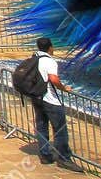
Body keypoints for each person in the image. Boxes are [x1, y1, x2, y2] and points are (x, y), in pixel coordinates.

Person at [33, 36, 81, 171]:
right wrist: (63, 88)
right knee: (60, 130)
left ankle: (45, 155)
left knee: (42, 127)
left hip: (37, 98)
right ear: (50, 48)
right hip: (50, 100)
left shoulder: (34, 58)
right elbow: (53, 79)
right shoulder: (49, 62)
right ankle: (64, 158)